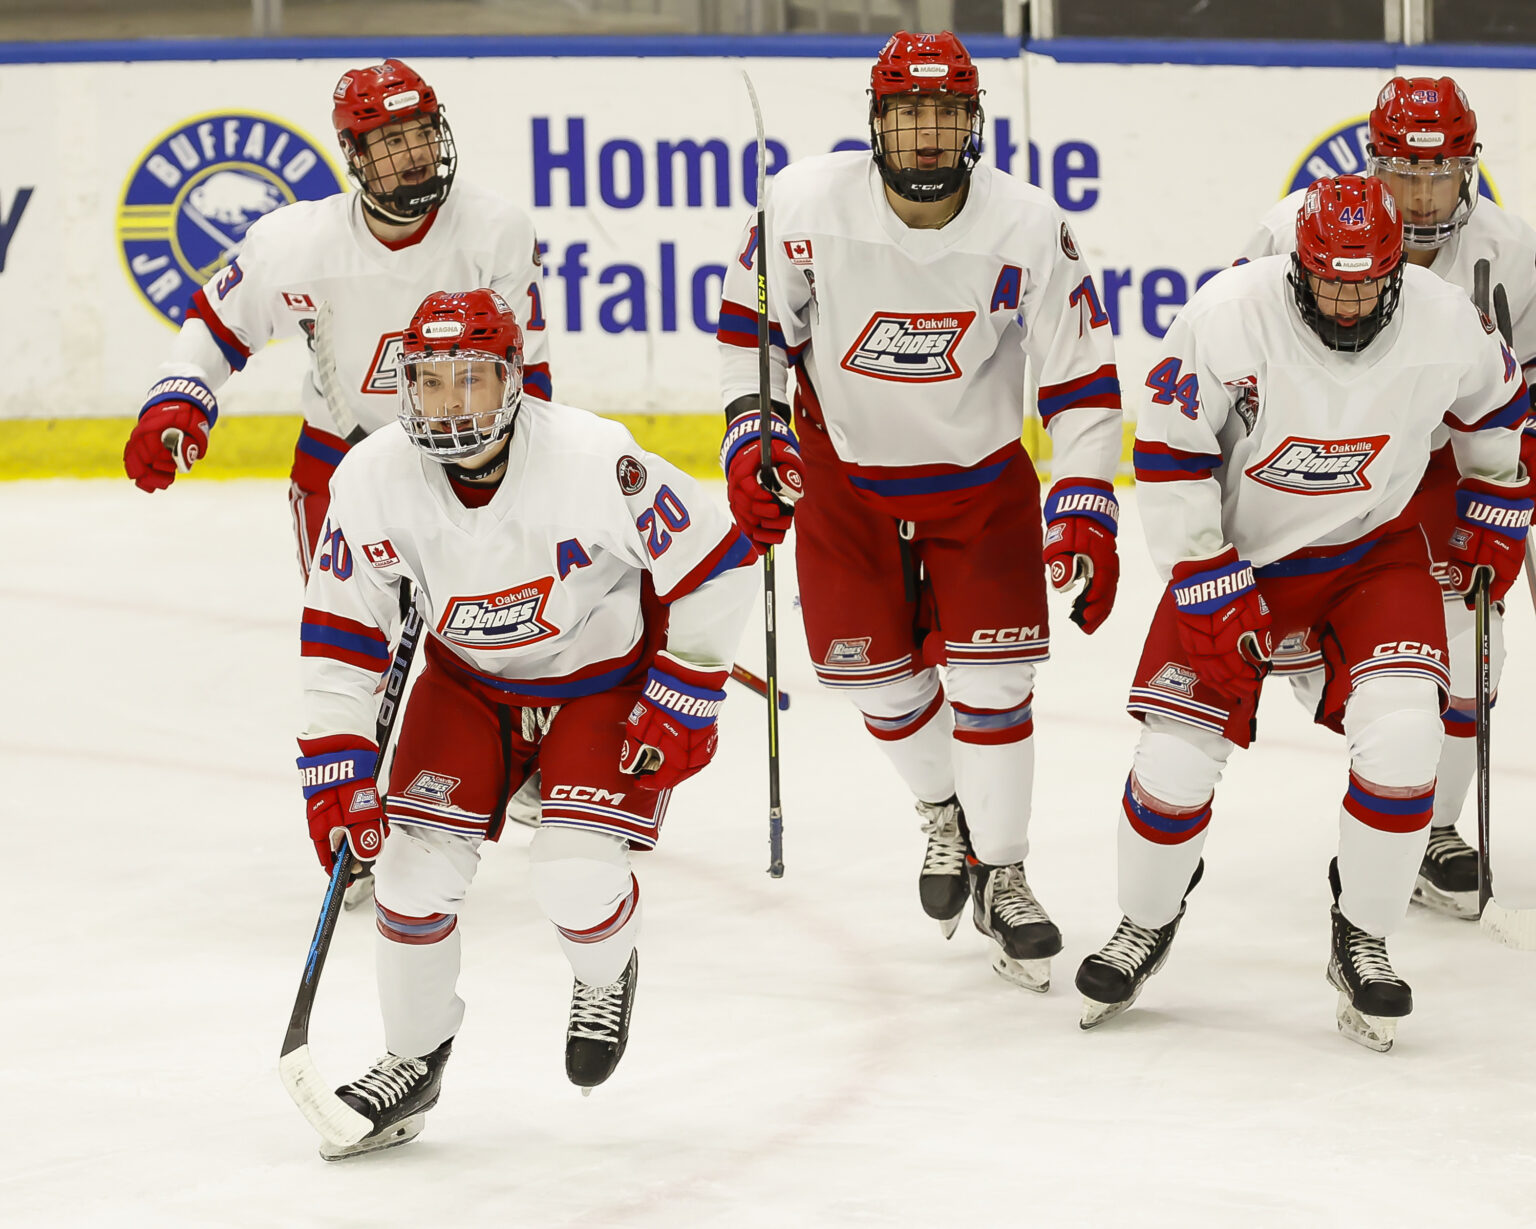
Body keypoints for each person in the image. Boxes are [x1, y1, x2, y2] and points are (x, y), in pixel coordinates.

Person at [295, 289, 757, 1157]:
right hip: (467, 685)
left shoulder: (591, 459)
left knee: (574, 876)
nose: (449, 404)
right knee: (407, 875)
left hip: (599, 682)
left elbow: (720, 561)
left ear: (513, 380)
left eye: (471, 379)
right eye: (429, 382)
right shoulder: (371, 478)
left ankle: (604, 969)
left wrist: (686, 687)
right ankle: (411, 1061)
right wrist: (337, 769)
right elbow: (340, 636)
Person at [1076, 177, 1529, 1051]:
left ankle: (1362, 933)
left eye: (1366, 283)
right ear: (1298, 269)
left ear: (1396, 271)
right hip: (1241, 554)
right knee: (1173, 761)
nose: (1348, 300)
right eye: (1330, 281)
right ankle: (1146, 921)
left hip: (1372, 553)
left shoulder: (1443, 321)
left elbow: (1500, 412)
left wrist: (1497, 510)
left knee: (1404, 738)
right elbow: (1170, 455)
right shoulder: (1227, 315)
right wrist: (1206, 574)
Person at [715, 31, 1122, 993]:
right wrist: (753, 439)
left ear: (974, 123)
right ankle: (948, 812)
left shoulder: (1025, 225)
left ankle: (1006, 871)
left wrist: (1086, 505)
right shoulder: (804, 207)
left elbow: (1081, 375)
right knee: (876, 685)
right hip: (843, 484)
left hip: (978, 487)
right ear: (877, 122)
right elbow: (753, 335)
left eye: (946, 114)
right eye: (909, 113)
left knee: (995, 684)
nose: (928, 133)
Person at [123, 59, 553, 898]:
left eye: (420, 134)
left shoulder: (495, 228)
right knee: (356, 644)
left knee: (493, 619)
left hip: (468, 455)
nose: (412, 158)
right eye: (388, 143)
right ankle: (352, 799)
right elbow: (215, 326)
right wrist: (179, 399)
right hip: (342, 465)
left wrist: (532, 477)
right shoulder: (297, 243)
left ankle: (519, 748)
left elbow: (523, 372)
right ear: (354, 158)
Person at [1238, 77, 1536, 919]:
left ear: (1468, 168)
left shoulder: (1511, 251)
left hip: (1445, 468)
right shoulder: (1288, 229)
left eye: (1440, 170)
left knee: (1478, 651)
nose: (1421, 190)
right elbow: (1227, 352)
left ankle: (1429, 826)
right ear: (1372, 164)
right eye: (1403, 168)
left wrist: (1507, 498)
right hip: (1328, 465)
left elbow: (1528, 398)